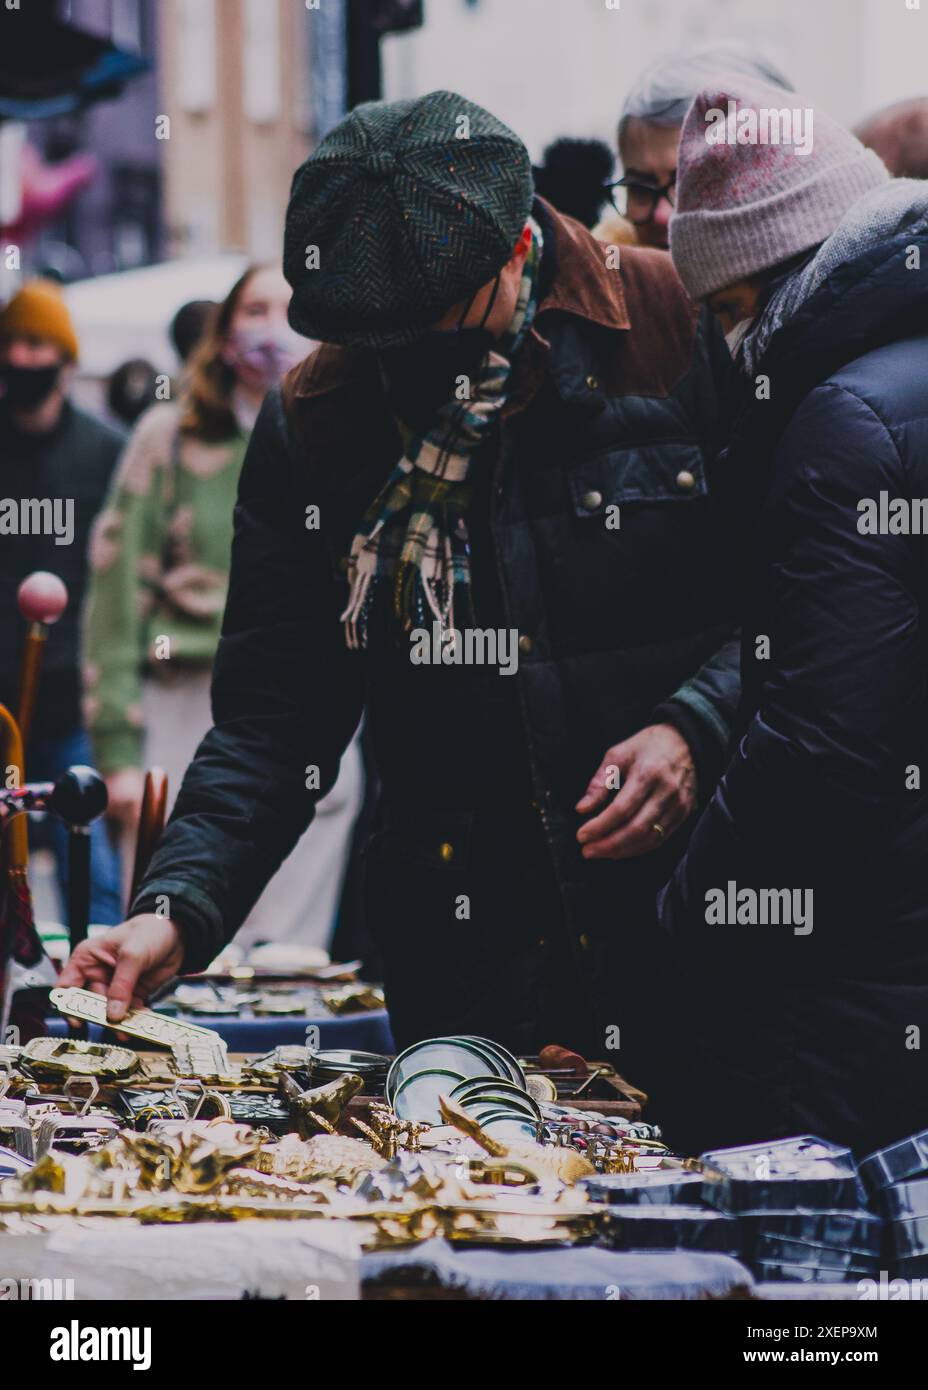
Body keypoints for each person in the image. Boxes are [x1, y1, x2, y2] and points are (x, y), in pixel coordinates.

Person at [62, 92, 739, 1128]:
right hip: (469, 951)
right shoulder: (318, 416)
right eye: (378, 337)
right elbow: (273, 719)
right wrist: (175, 911)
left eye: (434, 325)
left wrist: (696, 722)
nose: (406, 361)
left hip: (687, 920)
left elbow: (810, 597)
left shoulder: (670, 320)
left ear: (519, 247)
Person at [661, 77, 928, 1156]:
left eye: (723, 312)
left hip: (861, 963)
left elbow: (823, 736)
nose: (725, 347)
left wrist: (691, 900)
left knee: (817, 1287)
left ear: (772, 277)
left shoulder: (840, 422)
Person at [82, 265, 364, 951]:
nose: (272, 326)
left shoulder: (348, 430)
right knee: (174, 927)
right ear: (225, 325)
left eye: (289, 307)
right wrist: (118, 750)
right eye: (254, 307)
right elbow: (116, 597)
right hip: (183, 698)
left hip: (311, 707)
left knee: (291, 957)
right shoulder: (169, 434)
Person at [0, 279, 124, 925]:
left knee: (91, 871)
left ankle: (95, 1003)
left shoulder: (106, 452)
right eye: (13, 343)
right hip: (0, 703)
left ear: (66, 358)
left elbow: (122, 573)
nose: (23, 358)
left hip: (72, 694)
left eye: (38, 343)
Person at [611, 40, 793, 250]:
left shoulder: (834, 275)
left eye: (693, 186)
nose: (663, 216)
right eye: (639, 188)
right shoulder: (597, 270)